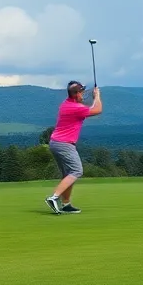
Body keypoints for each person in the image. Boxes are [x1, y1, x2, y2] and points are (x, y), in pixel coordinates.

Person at [44, 81, 102, 214]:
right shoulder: (76, 108)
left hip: (56, 143)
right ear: (76, 94)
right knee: (76, 171)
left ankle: (66, 204)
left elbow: (86, 108)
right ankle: (54, 197)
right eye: (82, 92)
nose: (83, 94)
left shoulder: (67, 104)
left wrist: (92, 99)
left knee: (68, 174)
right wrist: (97, 96)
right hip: (64, 144)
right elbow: (98, 110)